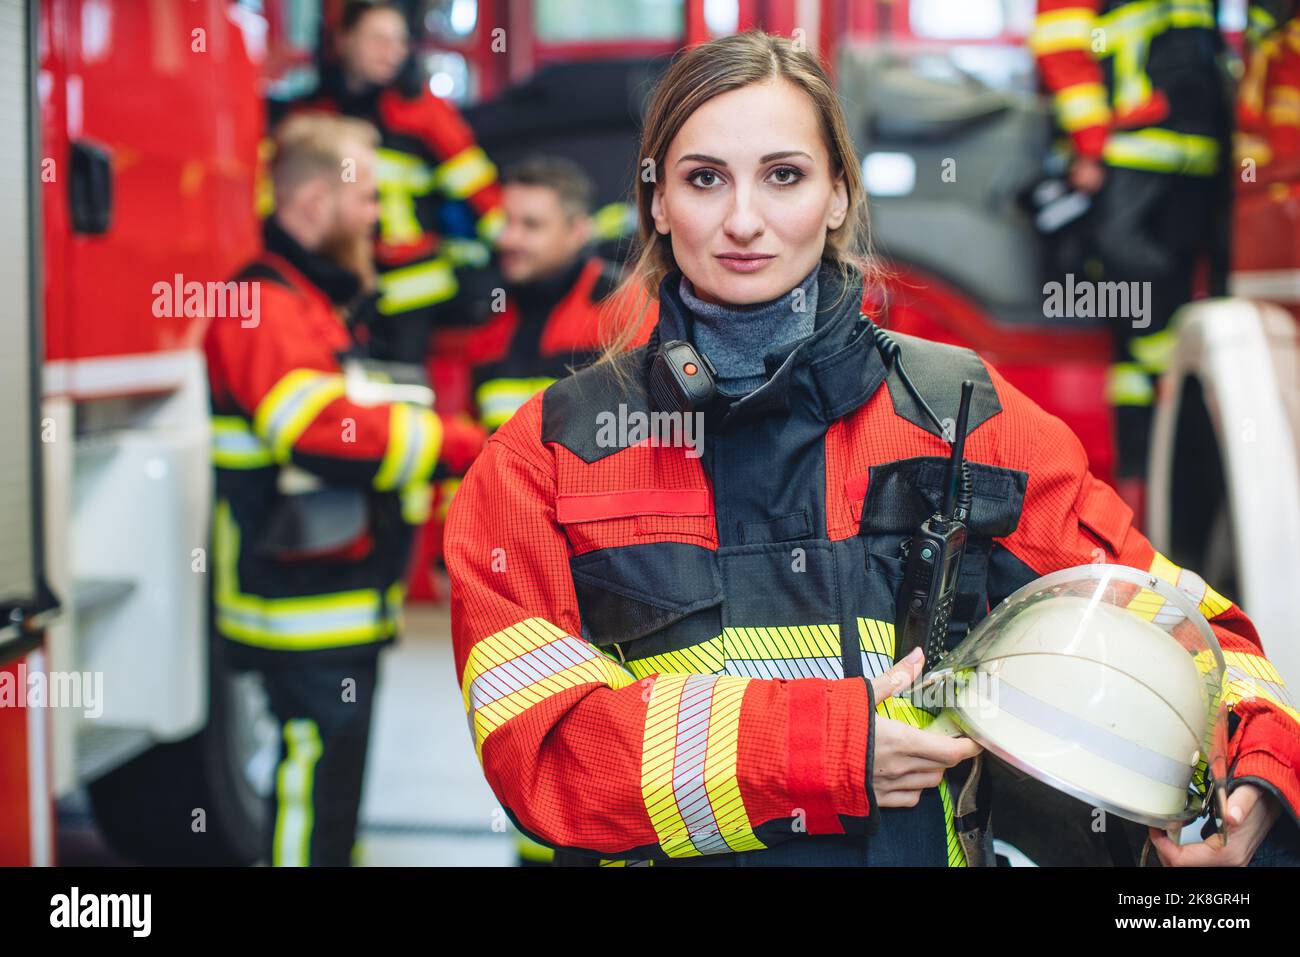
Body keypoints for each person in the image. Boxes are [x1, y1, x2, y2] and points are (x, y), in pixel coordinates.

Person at [444, 31, 1300, 867]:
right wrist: (831, 751)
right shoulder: (546, 460)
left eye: (785, 175)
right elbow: (540, 751)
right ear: (659, 201)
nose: (745, 220)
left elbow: (1189, 636)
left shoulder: (969, 418)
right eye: (705, 179)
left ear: (840, 196)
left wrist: (1258, 780)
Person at [204, 113, 485, 866]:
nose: (378, 218)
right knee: (313, 787)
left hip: (334, 598)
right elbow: (319, 427)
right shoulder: (264, 304)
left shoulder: (312, 301)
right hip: (298, 607)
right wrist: (463, 445)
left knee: (329, 790)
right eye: (366, 199)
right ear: (312, 203)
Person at [1029, 0, 1233, 514]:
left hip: (1202, 153)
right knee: (1137, 308)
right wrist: (1093, 142)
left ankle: (1151, 489)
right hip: (1134, 150)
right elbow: (1060, 44)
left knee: (1148, 322)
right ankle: (1142, 484)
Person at [289, 0, 505, 363]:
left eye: (399, 41)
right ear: (343, 41)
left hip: (413, 286)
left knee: (404, 390)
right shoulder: (311, 113)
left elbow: (479, 190)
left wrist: (513, 255)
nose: (392, 52)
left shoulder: (425, 113)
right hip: (335, 284)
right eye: (377, 39)